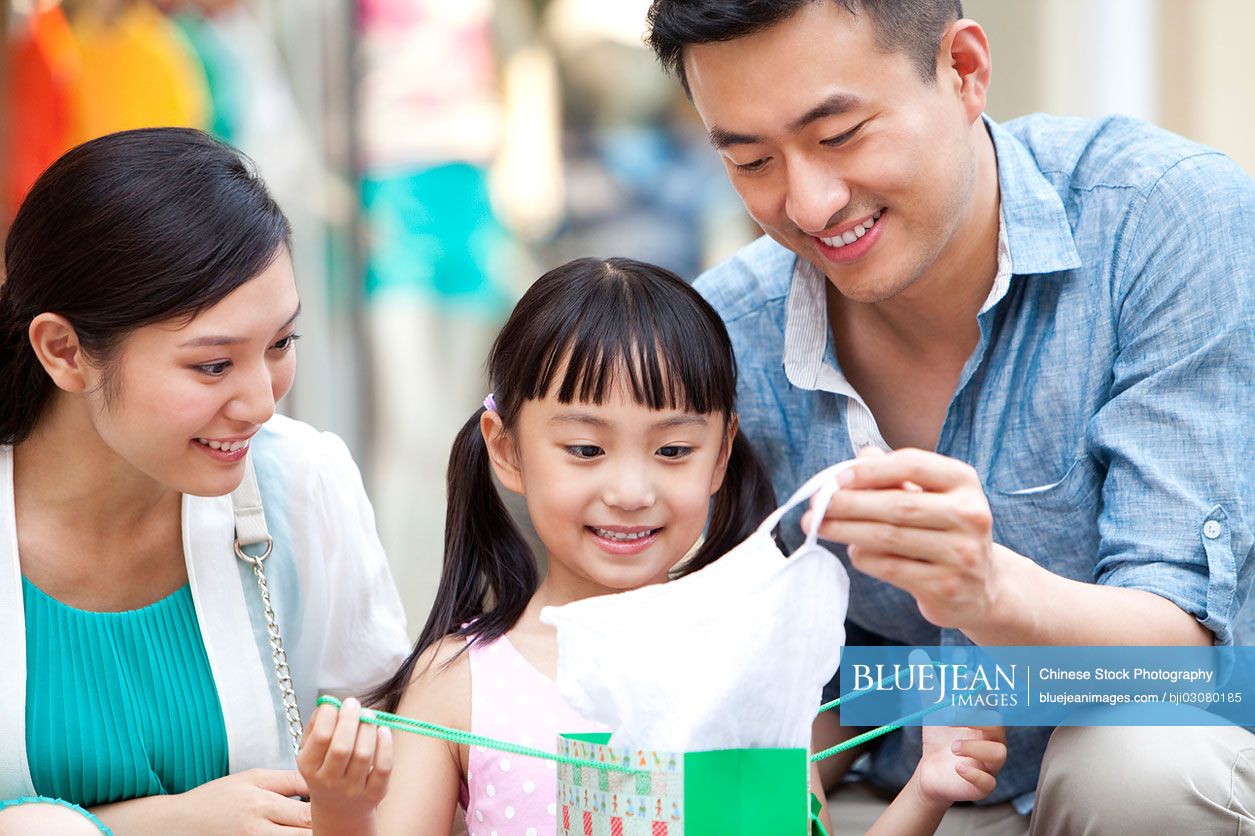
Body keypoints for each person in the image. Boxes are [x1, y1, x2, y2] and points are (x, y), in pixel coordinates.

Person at [644, 0, 1255, 833]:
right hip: (918, 789)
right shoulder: (727, 336)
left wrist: (989, 591)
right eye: (751, 161)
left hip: (1188, 749)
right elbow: (802, 677)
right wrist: (781, 771)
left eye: (839, 136)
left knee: (1134, 763)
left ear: (964, 70)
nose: (810, 204)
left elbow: (1183, 659)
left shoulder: (1160, 217)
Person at [298, 256, 1009, 836]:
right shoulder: (455, 682)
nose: (631, 489)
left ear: (721, 452)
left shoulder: (748, 658)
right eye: (584, 448)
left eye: (672, 449)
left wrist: (925, 791)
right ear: (505, 449)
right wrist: (341, 808)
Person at [0, 128, 409, 835]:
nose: (262, 401)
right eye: (213, 366)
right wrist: (161, 824)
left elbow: (400, 771)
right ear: (64, 352)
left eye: (280, 344)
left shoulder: (302, 484)